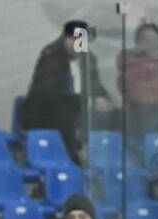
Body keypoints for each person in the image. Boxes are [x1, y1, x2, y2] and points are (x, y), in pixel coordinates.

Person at [19, 20, 118, 163]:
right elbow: (51, 94)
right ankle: (74, 163)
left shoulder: (89, 59)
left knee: (115, 117)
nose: (77, 44)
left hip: (78, 111)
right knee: (68, 119)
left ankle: (107, 166)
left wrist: (104, 98)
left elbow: (96, 85)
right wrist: (90, 101)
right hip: (48, 114)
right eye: (73, 39)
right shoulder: (51, 57)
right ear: (64, 39)